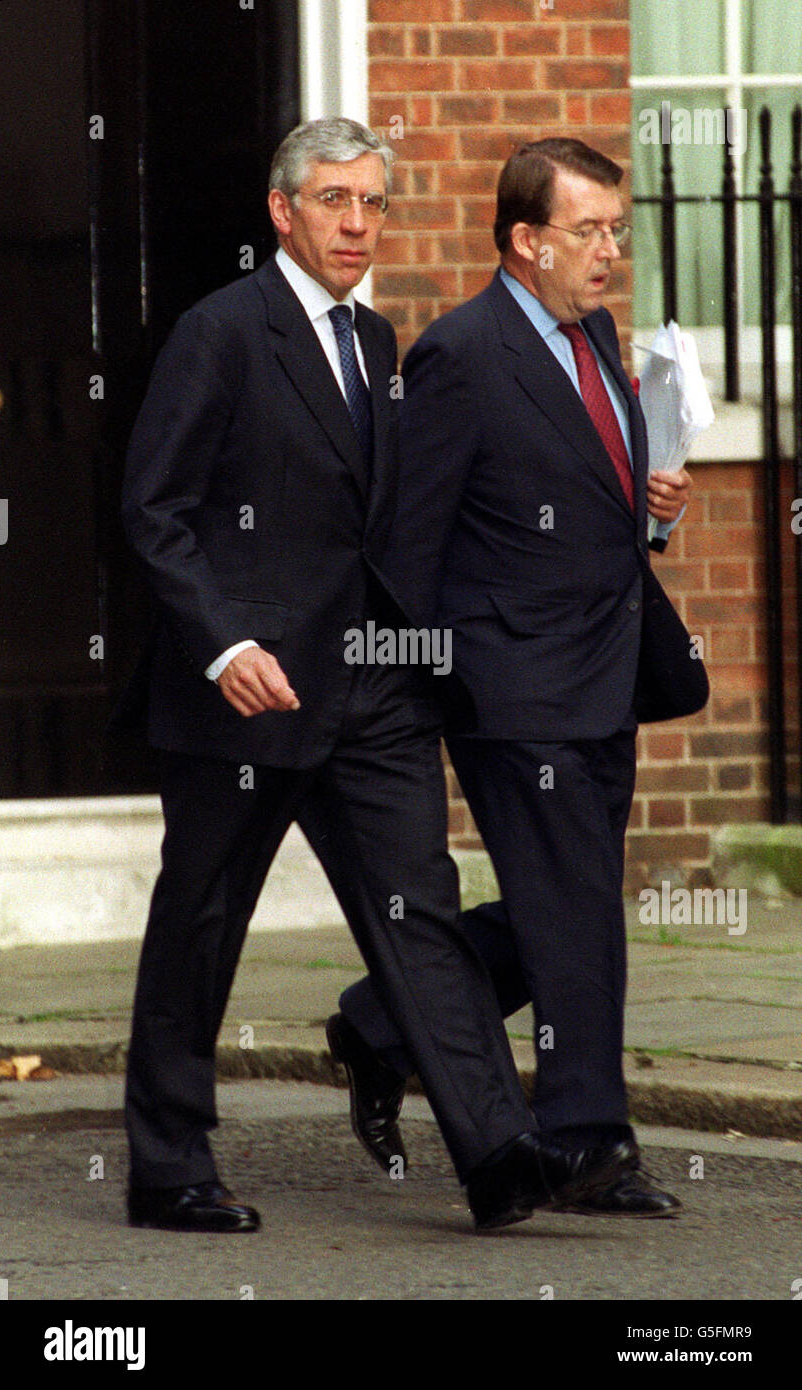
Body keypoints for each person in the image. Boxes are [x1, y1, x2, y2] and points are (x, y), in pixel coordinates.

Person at [119, 120, 636, 1235]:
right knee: (201, 925)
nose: (356, 224)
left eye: (373, 204)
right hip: (241, 699)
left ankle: (498, 1151)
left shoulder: (381, 342)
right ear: (282, 212)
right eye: (333, 201)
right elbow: (153, 511)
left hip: (367, 691)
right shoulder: (222, 333)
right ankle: (168, 1165)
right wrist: (224, 643)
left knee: (423, 919)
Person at [323, 138, 708, 1219]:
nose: (609, 251)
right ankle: (585, 1142)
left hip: (606, 673)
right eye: (587, 231)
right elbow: (407, 546)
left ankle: (381, 1022)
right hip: (515, 692)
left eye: (616, 230)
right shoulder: (461, 354)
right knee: (578, 908)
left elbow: (585, 506)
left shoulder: (594, 340)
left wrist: (651, 516)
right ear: (524, 240)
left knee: (566, 906)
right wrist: (463, 672)